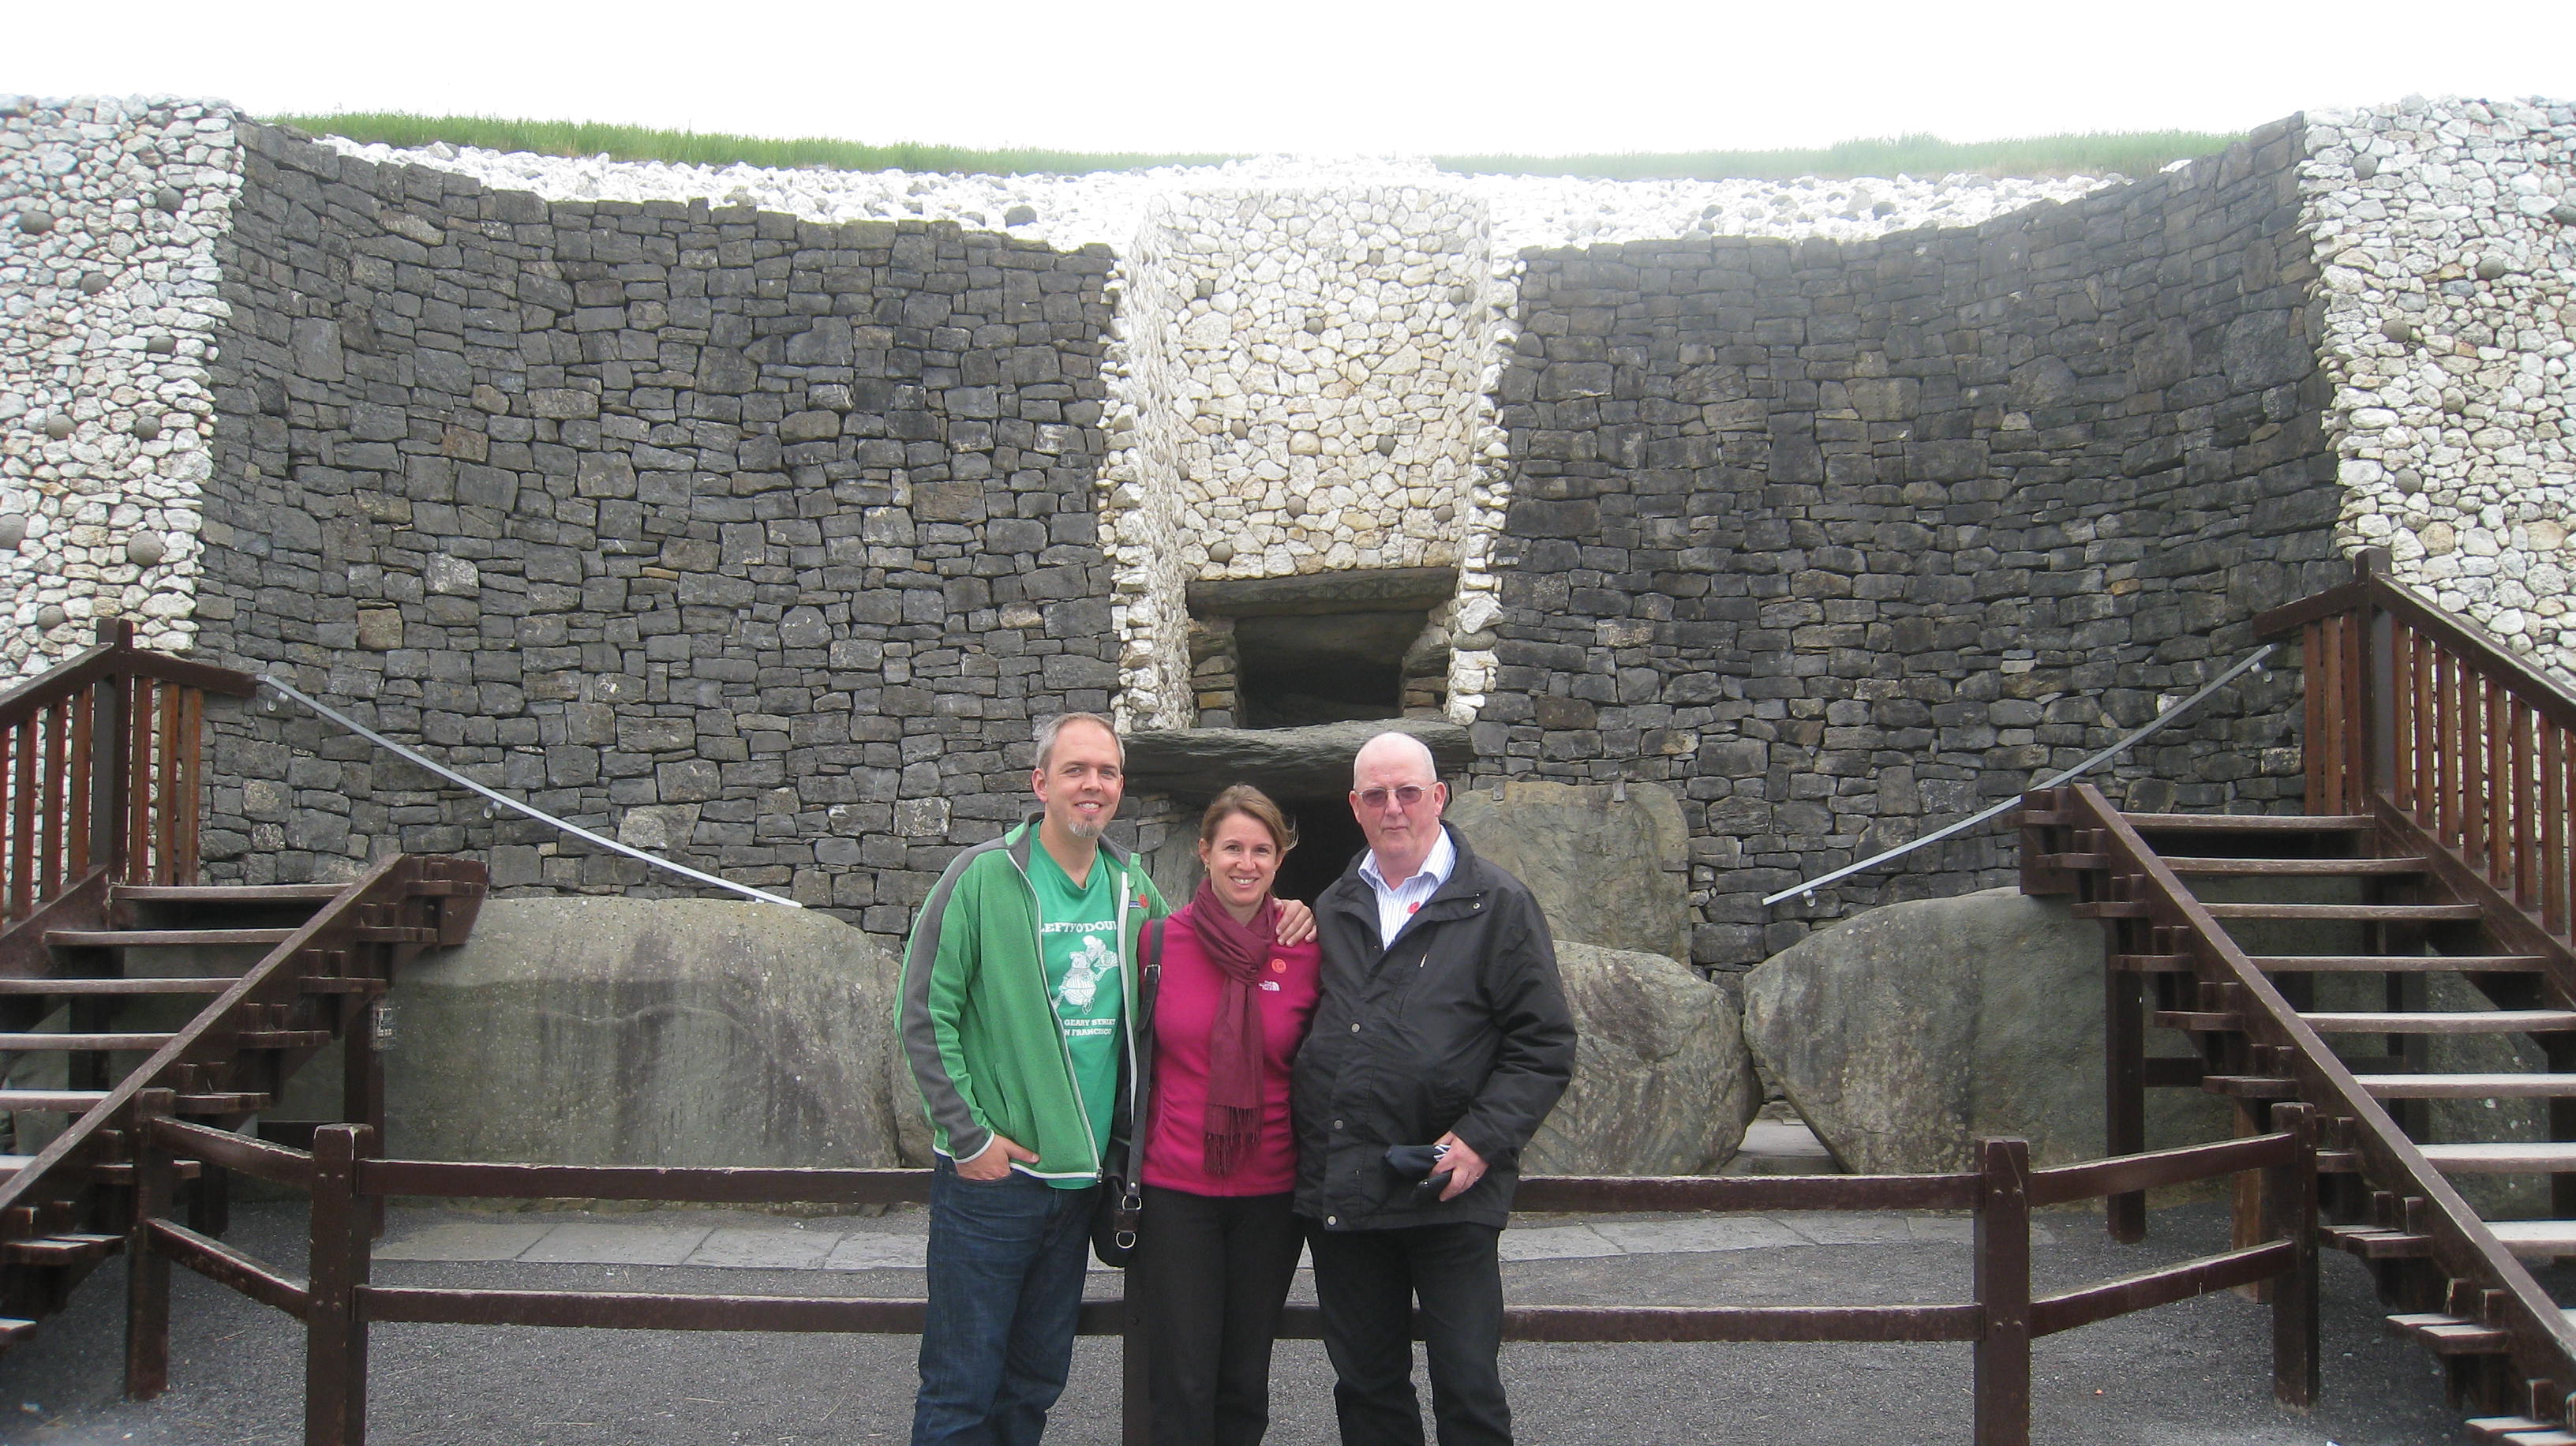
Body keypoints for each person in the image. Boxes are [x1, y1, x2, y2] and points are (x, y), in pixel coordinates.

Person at [898, 713, 1312, 1446]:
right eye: (1076, 770)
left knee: (1032, 1385)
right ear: (1041, 783)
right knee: (961, 1385)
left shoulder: (1134, 893)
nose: (1094, 785)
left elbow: (1205, 944)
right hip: (997, 1179)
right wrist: (969, 1138)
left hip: (1081, 1183)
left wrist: (1289, 914)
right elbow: (925, 1012)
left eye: (1108, 772)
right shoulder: (983, 877)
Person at [1292, 732, 1576, 1446]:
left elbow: (1545, 1044)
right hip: (1351, 1188)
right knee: (1368, 1392)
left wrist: (1482, 1139)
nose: (1395, 809)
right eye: (1377, 796)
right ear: (1354, 807)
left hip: (1449, 1186)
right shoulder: (1332, 906)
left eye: (1409, 792)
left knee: (1469, 1389)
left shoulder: (1499, 905)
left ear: (1439, 797)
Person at [1133, 785, 1323, 1446]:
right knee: (1181, 1379)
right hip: (1174, 1189)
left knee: (1245, 1379)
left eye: (1262, 850)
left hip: (1270, 1193)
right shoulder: (1156, 944)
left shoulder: (1308, 950)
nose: (1247, 863)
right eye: (1233, 847)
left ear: (1280, 859)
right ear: (1205, 852)